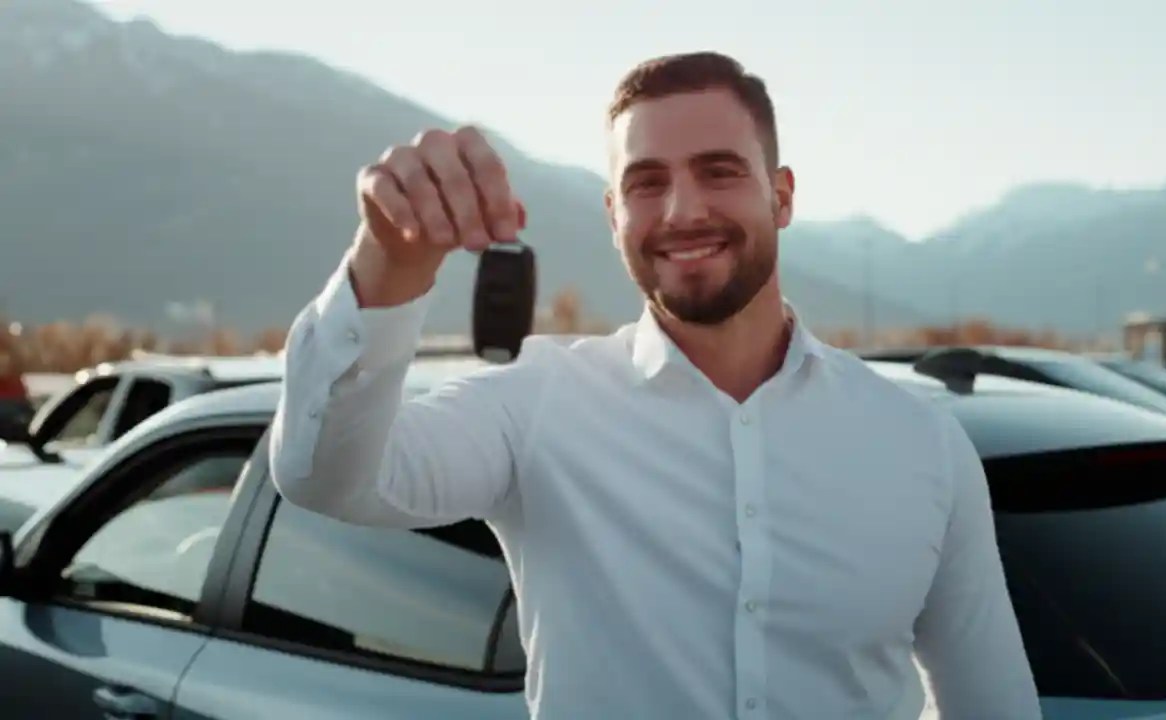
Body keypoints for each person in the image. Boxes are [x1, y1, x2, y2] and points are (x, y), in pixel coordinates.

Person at [270, 50, 1041, 719]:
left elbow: (995, 707)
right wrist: (388, 260)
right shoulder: (536, 404)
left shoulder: (923, 445)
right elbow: (323, 477)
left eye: (719, 171)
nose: (682, 210)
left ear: (781, 195)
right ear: (613, 215)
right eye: (646, 182)